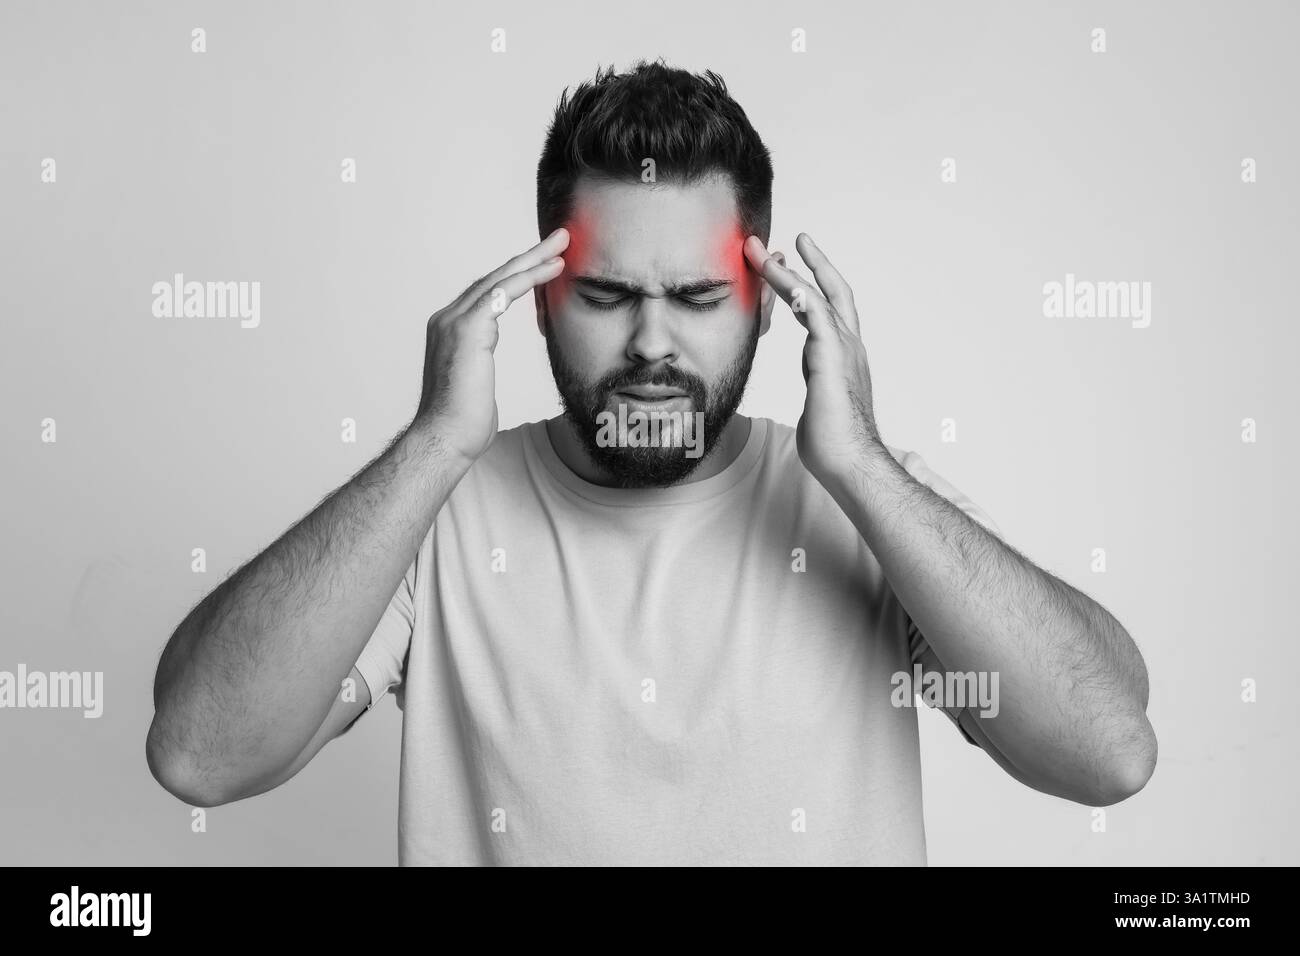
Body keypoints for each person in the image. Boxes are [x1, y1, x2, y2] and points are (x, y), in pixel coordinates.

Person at [146, 60, 1156, 866]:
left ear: (766, 303)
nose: (650, 343)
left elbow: (1109, 749)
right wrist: (430, 447)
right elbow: (200, 752)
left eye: (697, 297)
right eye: (606, 294)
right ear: (538, 295)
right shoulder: (437, 515)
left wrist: (864, 468)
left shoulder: (866, 505)